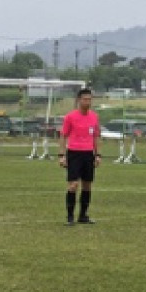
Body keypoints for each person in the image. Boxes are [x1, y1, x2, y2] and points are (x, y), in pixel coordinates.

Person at [58, 88, 102, 225]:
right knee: (73, 185)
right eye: (85, 99)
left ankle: (83, 215)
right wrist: (61, 155)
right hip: (74, 153)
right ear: (78, 100)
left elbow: (96, 136)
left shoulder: (94, 116)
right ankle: (70, 217)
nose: (87, 102)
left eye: (90, 99)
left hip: (88, 154)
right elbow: (63, 136)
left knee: (87, 185)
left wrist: (98, 154)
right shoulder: (70, 117)